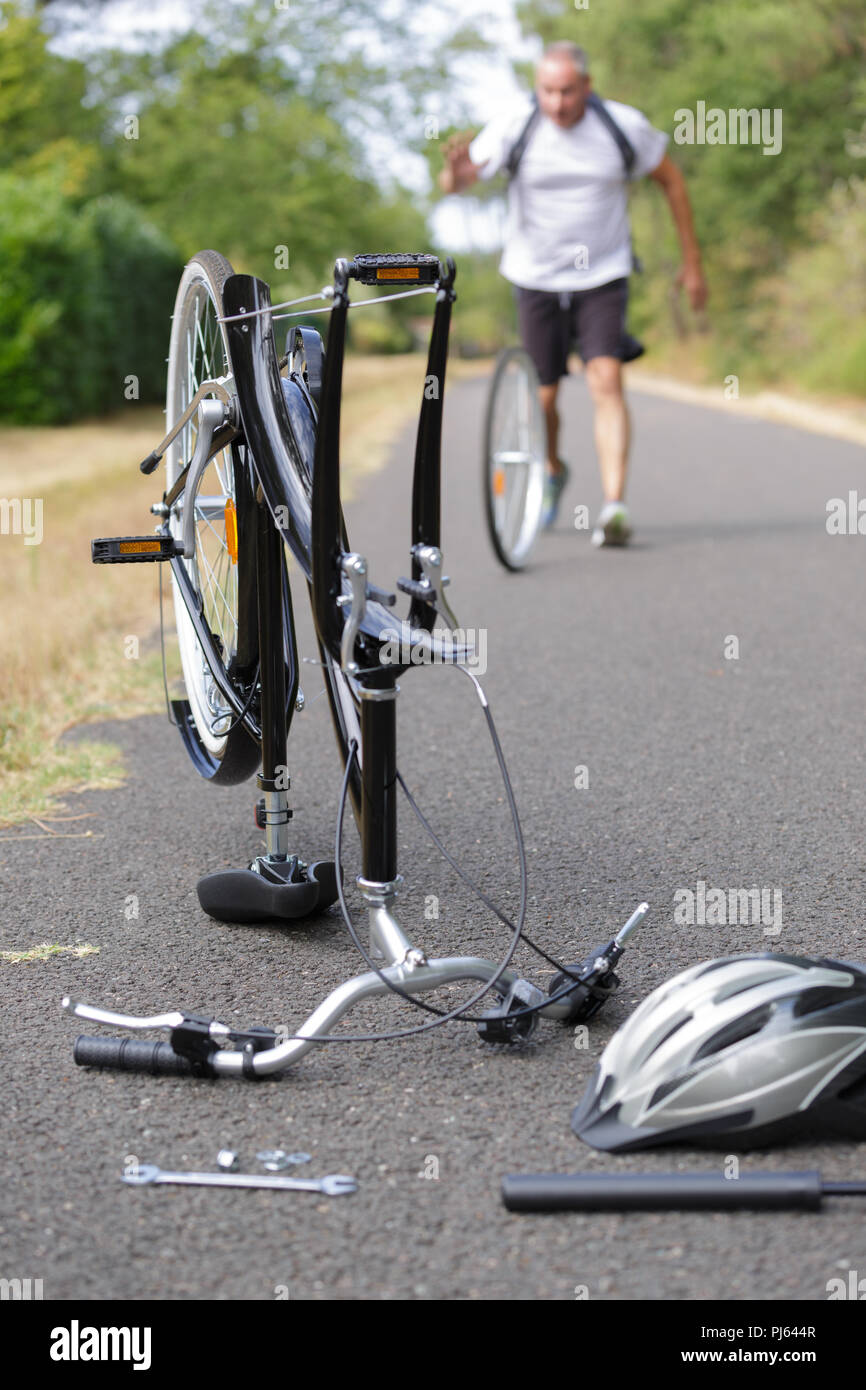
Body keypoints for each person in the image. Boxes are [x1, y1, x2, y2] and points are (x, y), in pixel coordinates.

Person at [439, 40, 707, 546]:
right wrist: (455, 171)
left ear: (587, 85)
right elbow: (460, 182)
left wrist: (692, 264)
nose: (558, 103)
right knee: (543, 396)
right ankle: (554, 467)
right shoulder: (516, 125)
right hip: (535, 275)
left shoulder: (622, 126)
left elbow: (671, 182)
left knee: (606, 377)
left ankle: (613, 508)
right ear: (536, 88)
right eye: (548, 91)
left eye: (567, 91)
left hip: (602, 274)